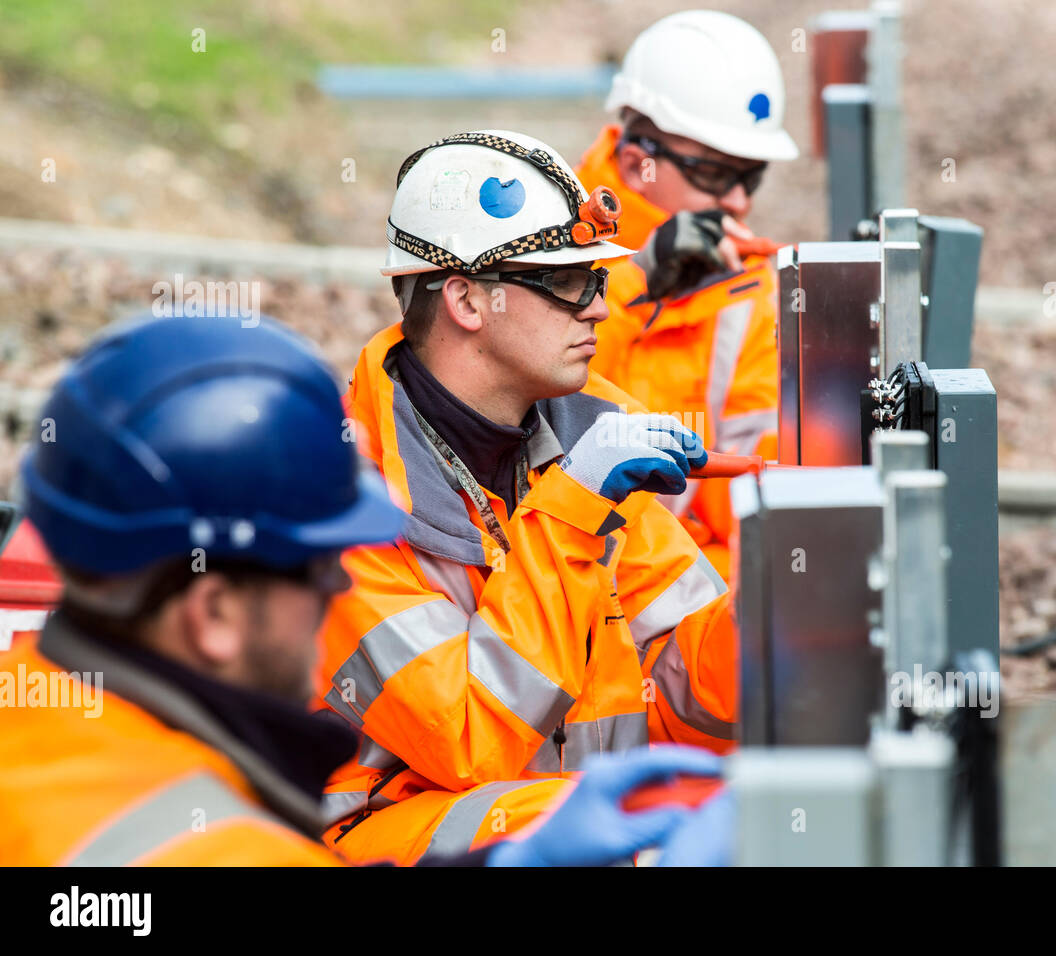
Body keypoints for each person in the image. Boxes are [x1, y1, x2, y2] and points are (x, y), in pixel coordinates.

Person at [0, 312, 731, 867]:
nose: (337, 591)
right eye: (321, 571)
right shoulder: (210, 846)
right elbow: (469, 739)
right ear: (213, 612)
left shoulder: (34, 717)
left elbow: (680, 675)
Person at [316, 129, 740, 865]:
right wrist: (573, 512)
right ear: (468, 301)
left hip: (543, 806)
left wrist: (773, 615)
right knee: (646, 826)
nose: (599, 311)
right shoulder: (343, 498)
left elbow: (680, 702)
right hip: (378, 838)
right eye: (570, 282)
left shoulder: (589, 433)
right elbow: (470, 740)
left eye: (599, 281)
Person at [574, 10, 797, 579]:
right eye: (720, 177)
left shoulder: (747, 295)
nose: (740, 203)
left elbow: (756, 487)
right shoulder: (538, 253)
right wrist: (638, 286)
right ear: (636, 163)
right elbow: (538, 428)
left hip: (666, 598)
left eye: (751, 177)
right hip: (551, 582)